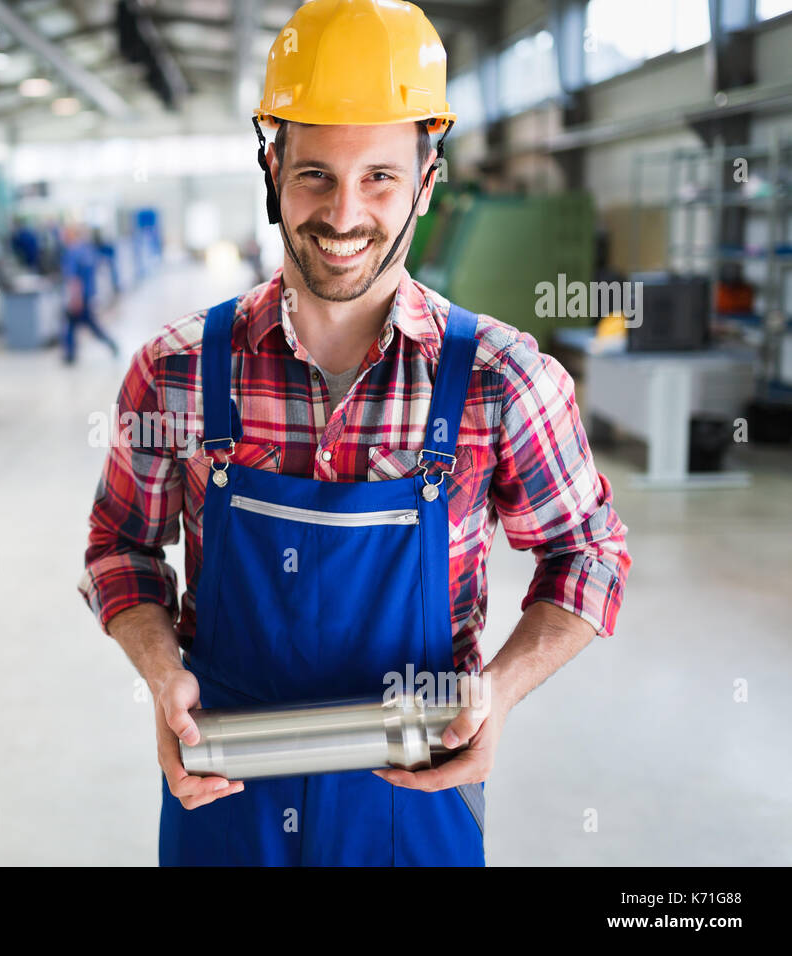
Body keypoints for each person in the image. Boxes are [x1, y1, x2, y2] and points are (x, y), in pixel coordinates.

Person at [77, 0, 631, 866]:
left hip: (416, 798)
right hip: (225, 791)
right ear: (271, 169)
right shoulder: (176, 371)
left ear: (428, 180)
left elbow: (588, 553)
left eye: (379, 176)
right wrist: (158, 671)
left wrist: (501, 690)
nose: (344, 215)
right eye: (314, 176)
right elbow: (121, 546)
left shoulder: (501, 379)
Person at [60, 222, 119, 364]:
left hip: (80, 296)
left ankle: (71, 355)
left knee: (77, 324)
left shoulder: (72, 253)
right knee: (78, 324)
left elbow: (74, 279)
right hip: (89, 294)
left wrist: (75, 298)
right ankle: (71, 354)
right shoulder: (87, 250)